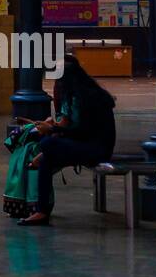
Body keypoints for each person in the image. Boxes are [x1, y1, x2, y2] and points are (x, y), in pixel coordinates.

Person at [14, 55, 116, 226]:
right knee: (47, 159)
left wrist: (53, 129)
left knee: (48, 144)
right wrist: (54, 128)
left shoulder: (83, 98)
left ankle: (41, 210)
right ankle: (41, 211)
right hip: (90, 144)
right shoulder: (83, 92)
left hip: (96, 148)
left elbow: (82, 132)